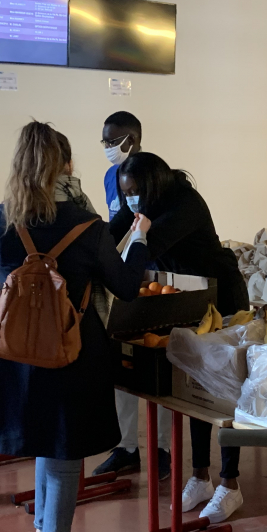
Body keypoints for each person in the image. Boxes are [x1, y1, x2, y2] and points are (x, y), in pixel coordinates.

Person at [0, 120, 151, 532]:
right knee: (65, 459)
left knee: (42, 447)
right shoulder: (88, 227)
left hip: (16, 356)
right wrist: (140, 238)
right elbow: (128, 286)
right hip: (74, 354)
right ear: (65, 166)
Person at [109, 151, 250, 524]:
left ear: (153, 185)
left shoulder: (185, 203)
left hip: (222, 297)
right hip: (187, 300)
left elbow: (148, 247)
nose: (131, 200)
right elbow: (112, 235)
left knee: (222, 394)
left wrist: (125, 254)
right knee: (193, 391)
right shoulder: (143, 201)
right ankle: (201, 475)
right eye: (126, 194)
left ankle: (230, 483)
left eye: (135, 192)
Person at [93, 111, 172, 480]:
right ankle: (126, 447)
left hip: (157, 277)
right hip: (125, 278)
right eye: (105, 141)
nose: (109, 147)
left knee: (158, 362)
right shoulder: (111, 176)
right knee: (121, 364)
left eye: (115, 140)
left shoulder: (156, 175)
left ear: (134, 139)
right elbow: (116, 227)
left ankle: (163, 449)